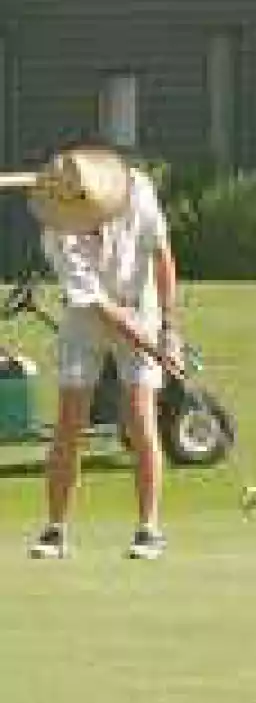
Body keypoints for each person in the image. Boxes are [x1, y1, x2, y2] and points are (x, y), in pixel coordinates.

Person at [25, 145, 184, 561]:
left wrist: (169, 330)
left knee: (140, 416)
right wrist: (149, 342)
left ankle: (149, 529)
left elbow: (162, 257)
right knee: (70, 420)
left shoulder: (139, 191)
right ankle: (55, 531)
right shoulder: (57, 231)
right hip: (87, 318)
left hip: (141, 305)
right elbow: (96, 304)